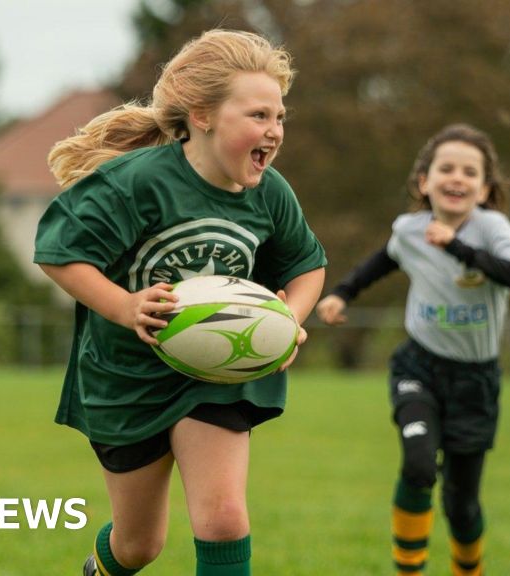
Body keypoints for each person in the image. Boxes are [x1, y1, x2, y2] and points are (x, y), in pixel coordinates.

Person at [34, 29, 326, 576]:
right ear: (203, 115)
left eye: (280, 117)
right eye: (258, 115)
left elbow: (307, 265)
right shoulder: (136, 183)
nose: (275, 131)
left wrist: (289, 321)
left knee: (223, 519)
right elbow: (58, 252)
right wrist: (125, 307)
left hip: (217, 373)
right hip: (127, 377)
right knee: (139, 545)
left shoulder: (270, 192)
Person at [316, 124, 510, 576]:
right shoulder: (410, 230)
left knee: (461, 504)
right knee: (418, 466)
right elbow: (383, 259)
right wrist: (342, 292)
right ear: (424, 181)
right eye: (447, 168)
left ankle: (466, 567)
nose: (457, 178)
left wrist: (457, 247)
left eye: (469, 172)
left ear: (484, 189)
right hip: (419, 365)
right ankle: (408, 569)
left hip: (475, 380)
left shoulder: (493, 228)